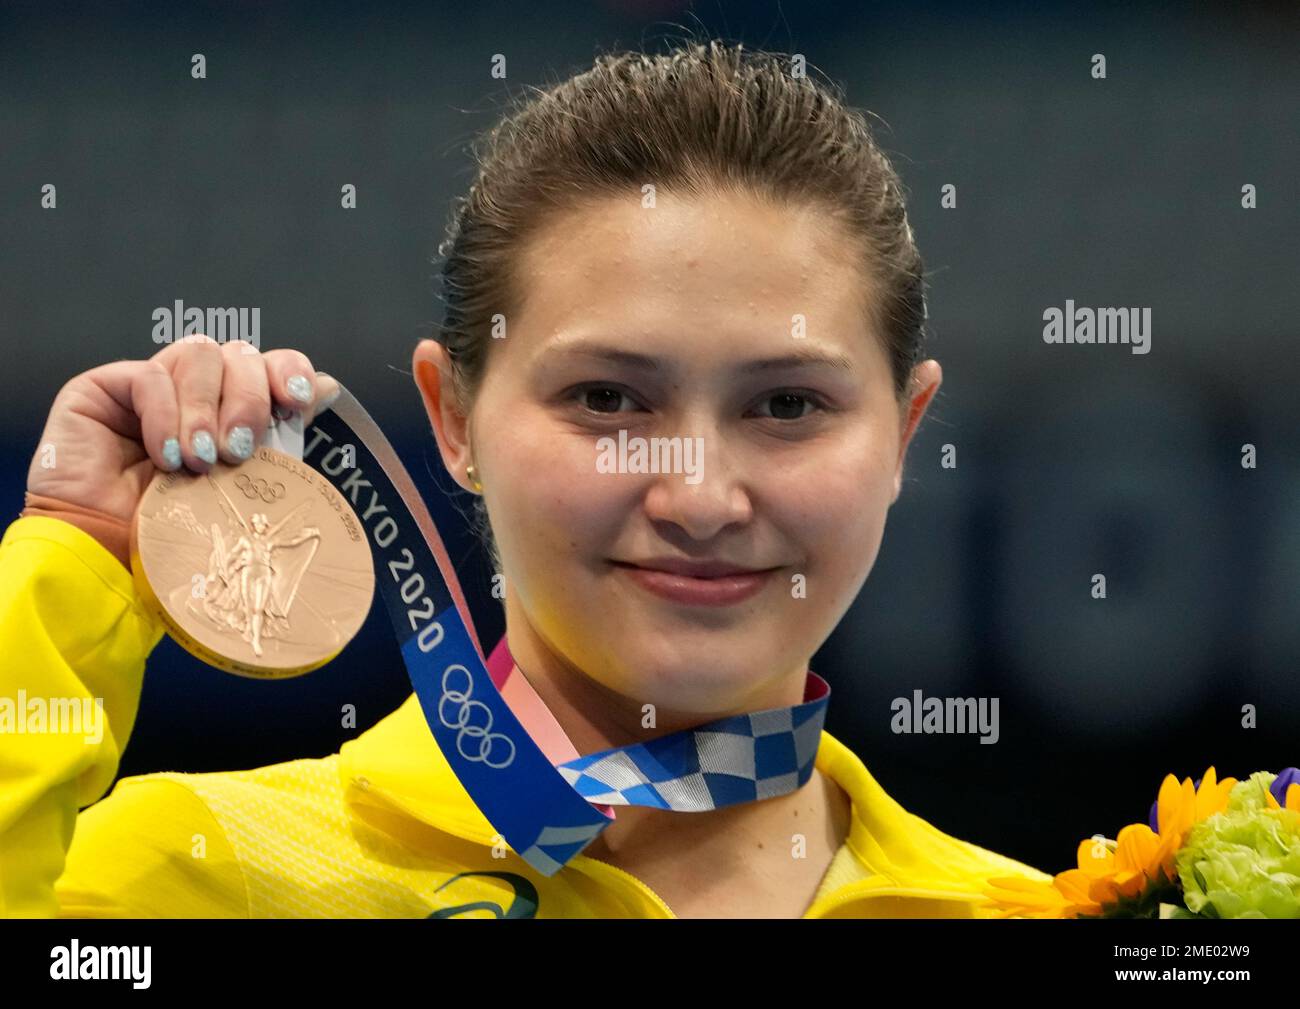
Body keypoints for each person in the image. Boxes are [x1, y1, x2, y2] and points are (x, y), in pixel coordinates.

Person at [0, 39, 1049, 918]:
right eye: (606, 398)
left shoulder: (1034, 913)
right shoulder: (209, 870)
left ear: (905, 432)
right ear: (453, 416)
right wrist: (69, 563)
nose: (696, 498)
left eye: (786, 406)